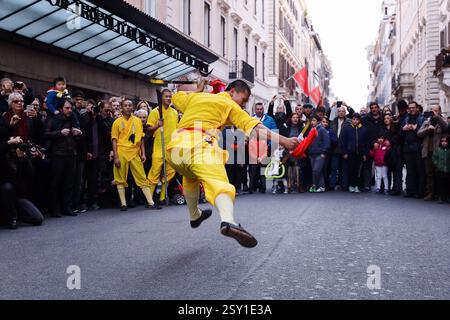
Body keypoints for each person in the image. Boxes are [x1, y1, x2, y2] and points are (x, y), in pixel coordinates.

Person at [168, 80, 299, 248]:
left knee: (190, 175)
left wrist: (198, 89)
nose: (243, 105)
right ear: (232, 93)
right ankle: (229, 222)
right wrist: (285, 141)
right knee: (219, 183)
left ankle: (195, 216)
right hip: (199, 144)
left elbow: (177, 97)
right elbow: (256, 128)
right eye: (243, 100)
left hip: (175, 149)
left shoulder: (196, 98)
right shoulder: (228, 104)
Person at [111, 99, 159, 211]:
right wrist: (116, 157)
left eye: (130, 105)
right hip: (122, 151)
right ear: (122, 108)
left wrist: (143, 153)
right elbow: (114, 140)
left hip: (134, 152)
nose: (128, 107)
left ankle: (150, 202)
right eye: (126, 105)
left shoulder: (137, 121)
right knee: (120, 177)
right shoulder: (117, 122)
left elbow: (141, 138)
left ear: (132, 107)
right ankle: (123, 204)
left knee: (141, 176)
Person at [44, 99, 82, 217]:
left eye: (70, 108)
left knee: (69, 182)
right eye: (67, 108)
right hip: (57, 154)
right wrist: (60, 133)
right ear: (61, 108)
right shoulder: (53, 119)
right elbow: (46, 133)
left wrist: (78, 133)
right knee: (56, 182)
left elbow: (79, 134)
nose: (69, 110)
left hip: (71, 154)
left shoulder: (73, 118)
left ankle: (66, 207)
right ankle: (54, 209)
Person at [146, 89, 178, 205]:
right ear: (161, 98)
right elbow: (148, 129)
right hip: (159, 146)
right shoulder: (155, 112)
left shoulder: (174, 113)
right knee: (155, 172)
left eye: (170, 96)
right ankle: (150, 200)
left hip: (171, 146)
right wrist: (157, 125)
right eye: (166, 96)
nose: (168, 98)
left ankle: (162, 197)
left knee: (169, 172)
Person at [417, 105, 449, 201]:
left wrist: (438, 118)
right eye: (432, 110)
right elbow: (418, 133)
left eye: (435, 110)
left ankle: (440, 194)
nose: (433, 112)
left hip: (439, 152)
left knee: (439, 174)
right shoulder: (427, 121)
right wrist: (427, 129)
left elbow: (446, 128)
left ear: (439, 111)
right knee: (429, 174)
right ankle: (430, 193)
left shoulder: (442, 121)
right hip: (427, 151)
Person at [249, 102, 277, 193]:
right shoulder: (250, 119)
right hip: (252, 146)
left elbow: (274, 133)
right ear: (255, 110)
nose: (259, 111)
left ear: (263, 109)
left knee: (262, 170)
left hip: (266, 147)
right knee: (253, 170)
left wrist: (272, 147)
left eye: (261, 109)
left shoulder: (270, 119)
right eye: (257, 109)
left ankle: (262, 187)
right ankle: (253, 186)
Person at [339, 113, 369, 193]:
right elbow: (342, 141)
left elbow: (366, 143)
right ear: (351, 120)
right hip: (349, 153)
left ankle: (356, 185)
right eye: (354, 119)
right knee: (350, 170)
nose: (355, 121)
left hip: (359, 153)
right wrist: (344, 152)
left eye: (357, 119)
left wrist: (365, 154)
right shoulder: (346, 128)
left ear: (359, 120)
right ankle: (350, 185)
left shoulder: (363, 129)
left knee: (358, 171)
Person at [401, 101, 425, 198]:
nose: (411, 109)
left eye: (413, 107)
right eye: (410, 108)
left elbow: (422, 133)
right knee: (410, 171)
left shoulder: (421, 118)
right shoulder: (406, 119)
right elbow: (401, 134)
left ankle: (419, 192)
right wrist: (404, 129)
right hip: (407, 148)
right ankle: (410, 190)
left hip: (418, 148)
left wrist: (415, 128)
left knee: (419, 171)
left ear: (417, 108)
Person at [362, 102, 385, 192]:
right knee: (367, 166)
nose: (374, 109)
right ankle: (367, 185)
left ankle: (382, 186)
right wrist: (372, 143)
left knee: (382, 166)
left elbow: (385, 130)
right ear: (370, 109)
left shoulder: (382, 118)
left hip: (381, 145)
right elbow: (365, 133)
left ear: (378, 108)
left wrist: (380, 140)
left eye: (376, 107)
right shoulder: (366, 119)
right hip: (369, 145)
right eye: (372, 108)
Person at [329, 106, 351, 190]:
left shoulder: (349, 122)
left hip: (344, 148)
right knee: (334, 167)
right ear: (337, 113)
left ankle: (344, 185)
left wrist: (347, 150)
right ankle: (332, 185)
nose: (341, 113)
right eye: (339, 111)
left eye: (343, 111)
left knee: (344, 168)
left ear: (345, 113)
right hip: (335, 148)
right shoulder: (333, 121)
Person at [308, 115, 330, 193]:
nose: (312, 122)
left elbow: (327, 142)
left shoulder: (322, 130)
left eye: (314, 120)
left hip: (320, 154)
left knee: (317, 170)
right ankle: (318, 186)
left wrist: (324, 152)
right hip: (311, 154)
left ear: (318, 121)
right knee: (315, 171)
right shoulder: (310, 130)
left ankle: (321, 185)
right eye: (311, 120)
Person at [432, 136, 450, 203]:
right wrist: (437, 164)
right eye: (442, 141)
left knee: (447, 184)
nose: (444, 143)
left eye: (445, 141)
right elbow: (434, 158)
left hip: (448, 170)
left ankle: (447, 197)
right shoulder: (438, 149)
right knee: (440, 184)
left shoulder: (449, 150)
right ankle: (440, 197)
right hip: (440, 170)